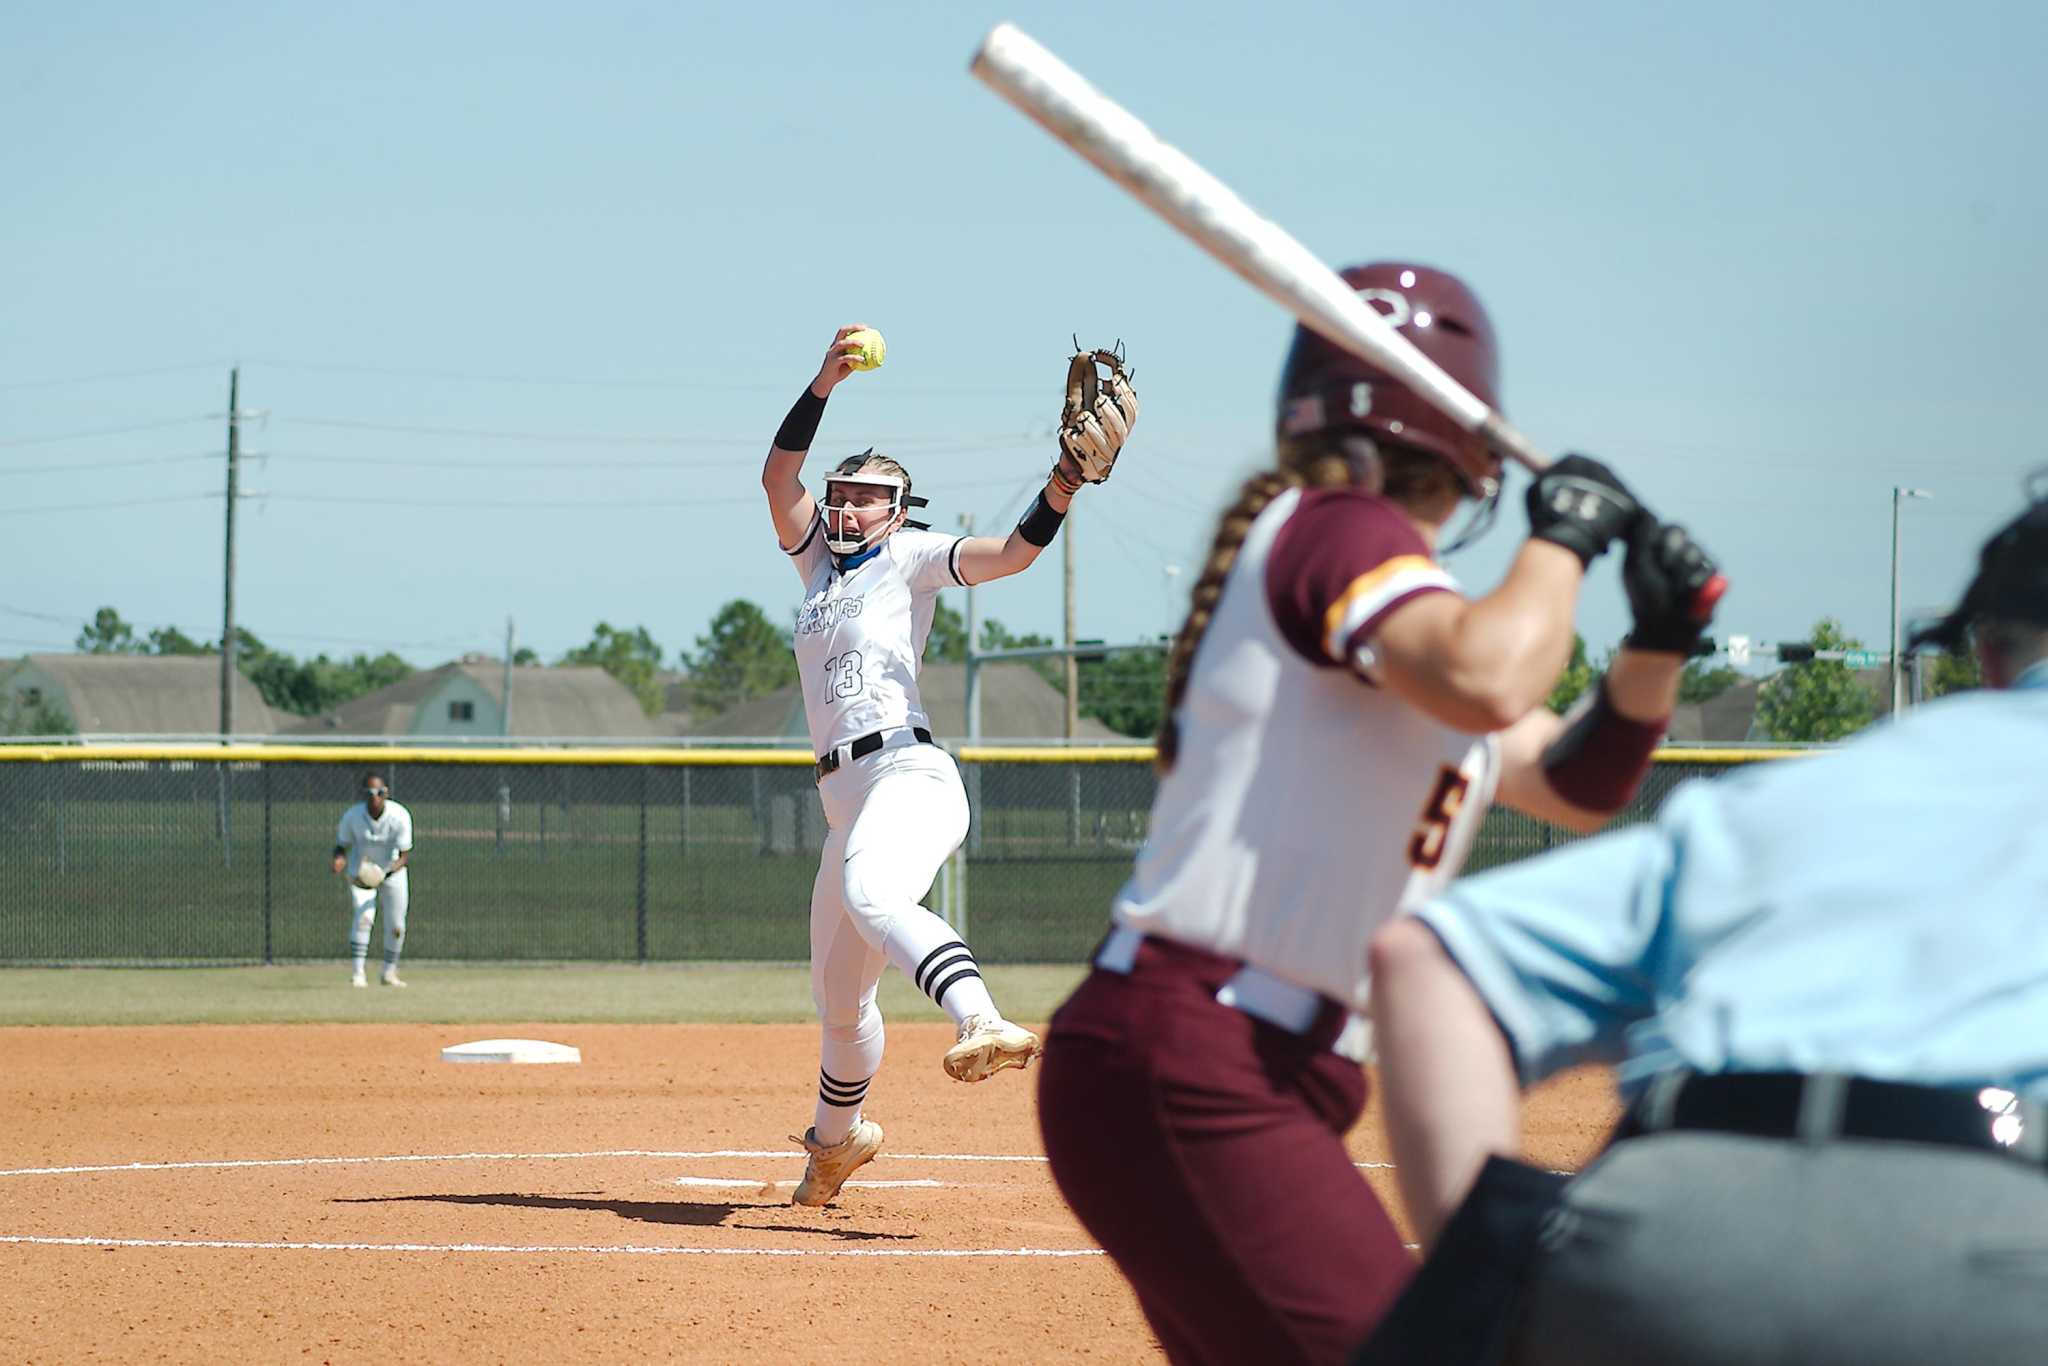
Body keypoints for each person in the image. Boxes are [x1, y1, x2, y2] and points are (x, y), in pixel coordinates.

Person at [1033, 262, 1725, 1365]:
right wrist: (1563, 542)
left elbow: (1576, 783)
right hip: (1199, 1053)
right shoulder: (1337, 529)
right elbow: (1490, 679)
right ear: (1463, 436)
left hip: (1232, 1064)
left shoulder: (1395, 603)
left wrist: (1656, 644)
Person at [1361, 486, 2048, 1366]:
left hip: (1662, 1237)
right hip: (1998, 1242)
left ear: (1989, 654)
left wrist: (1492, 1305)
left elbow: (1427, 957)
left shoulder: (1796, 793)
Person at [762, 323, 1137, 1207]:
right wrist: (824, 381)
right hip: (846, 800)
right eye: (843, 493)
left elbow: (1011, 556)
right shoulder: (817, 567)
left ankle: (982, 1018)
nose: (849, 507)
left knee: (873, 897)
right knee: (838, 996)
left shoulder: (910, 557)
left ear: (900, 510)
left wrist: (1062, 487)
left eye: (869, 496)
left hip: (908, 775)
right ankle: (835, 1140)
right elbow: (780, 477)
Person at [330, 771, 414, 988]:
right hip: (362, 871)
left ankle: (389, 972)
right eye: (370, 792)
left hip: (391, 871)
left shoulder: (399, 816)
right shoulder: (353, 816)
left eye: (380, 792)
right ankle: (358, 973)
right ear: (363, 795)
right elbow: (341, 845)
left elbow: (404, 856)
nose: (375, 797)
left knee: (396, 926)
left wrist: (383, 874)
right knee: (364, 918)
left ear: (386, 793)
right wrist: (339, 859)